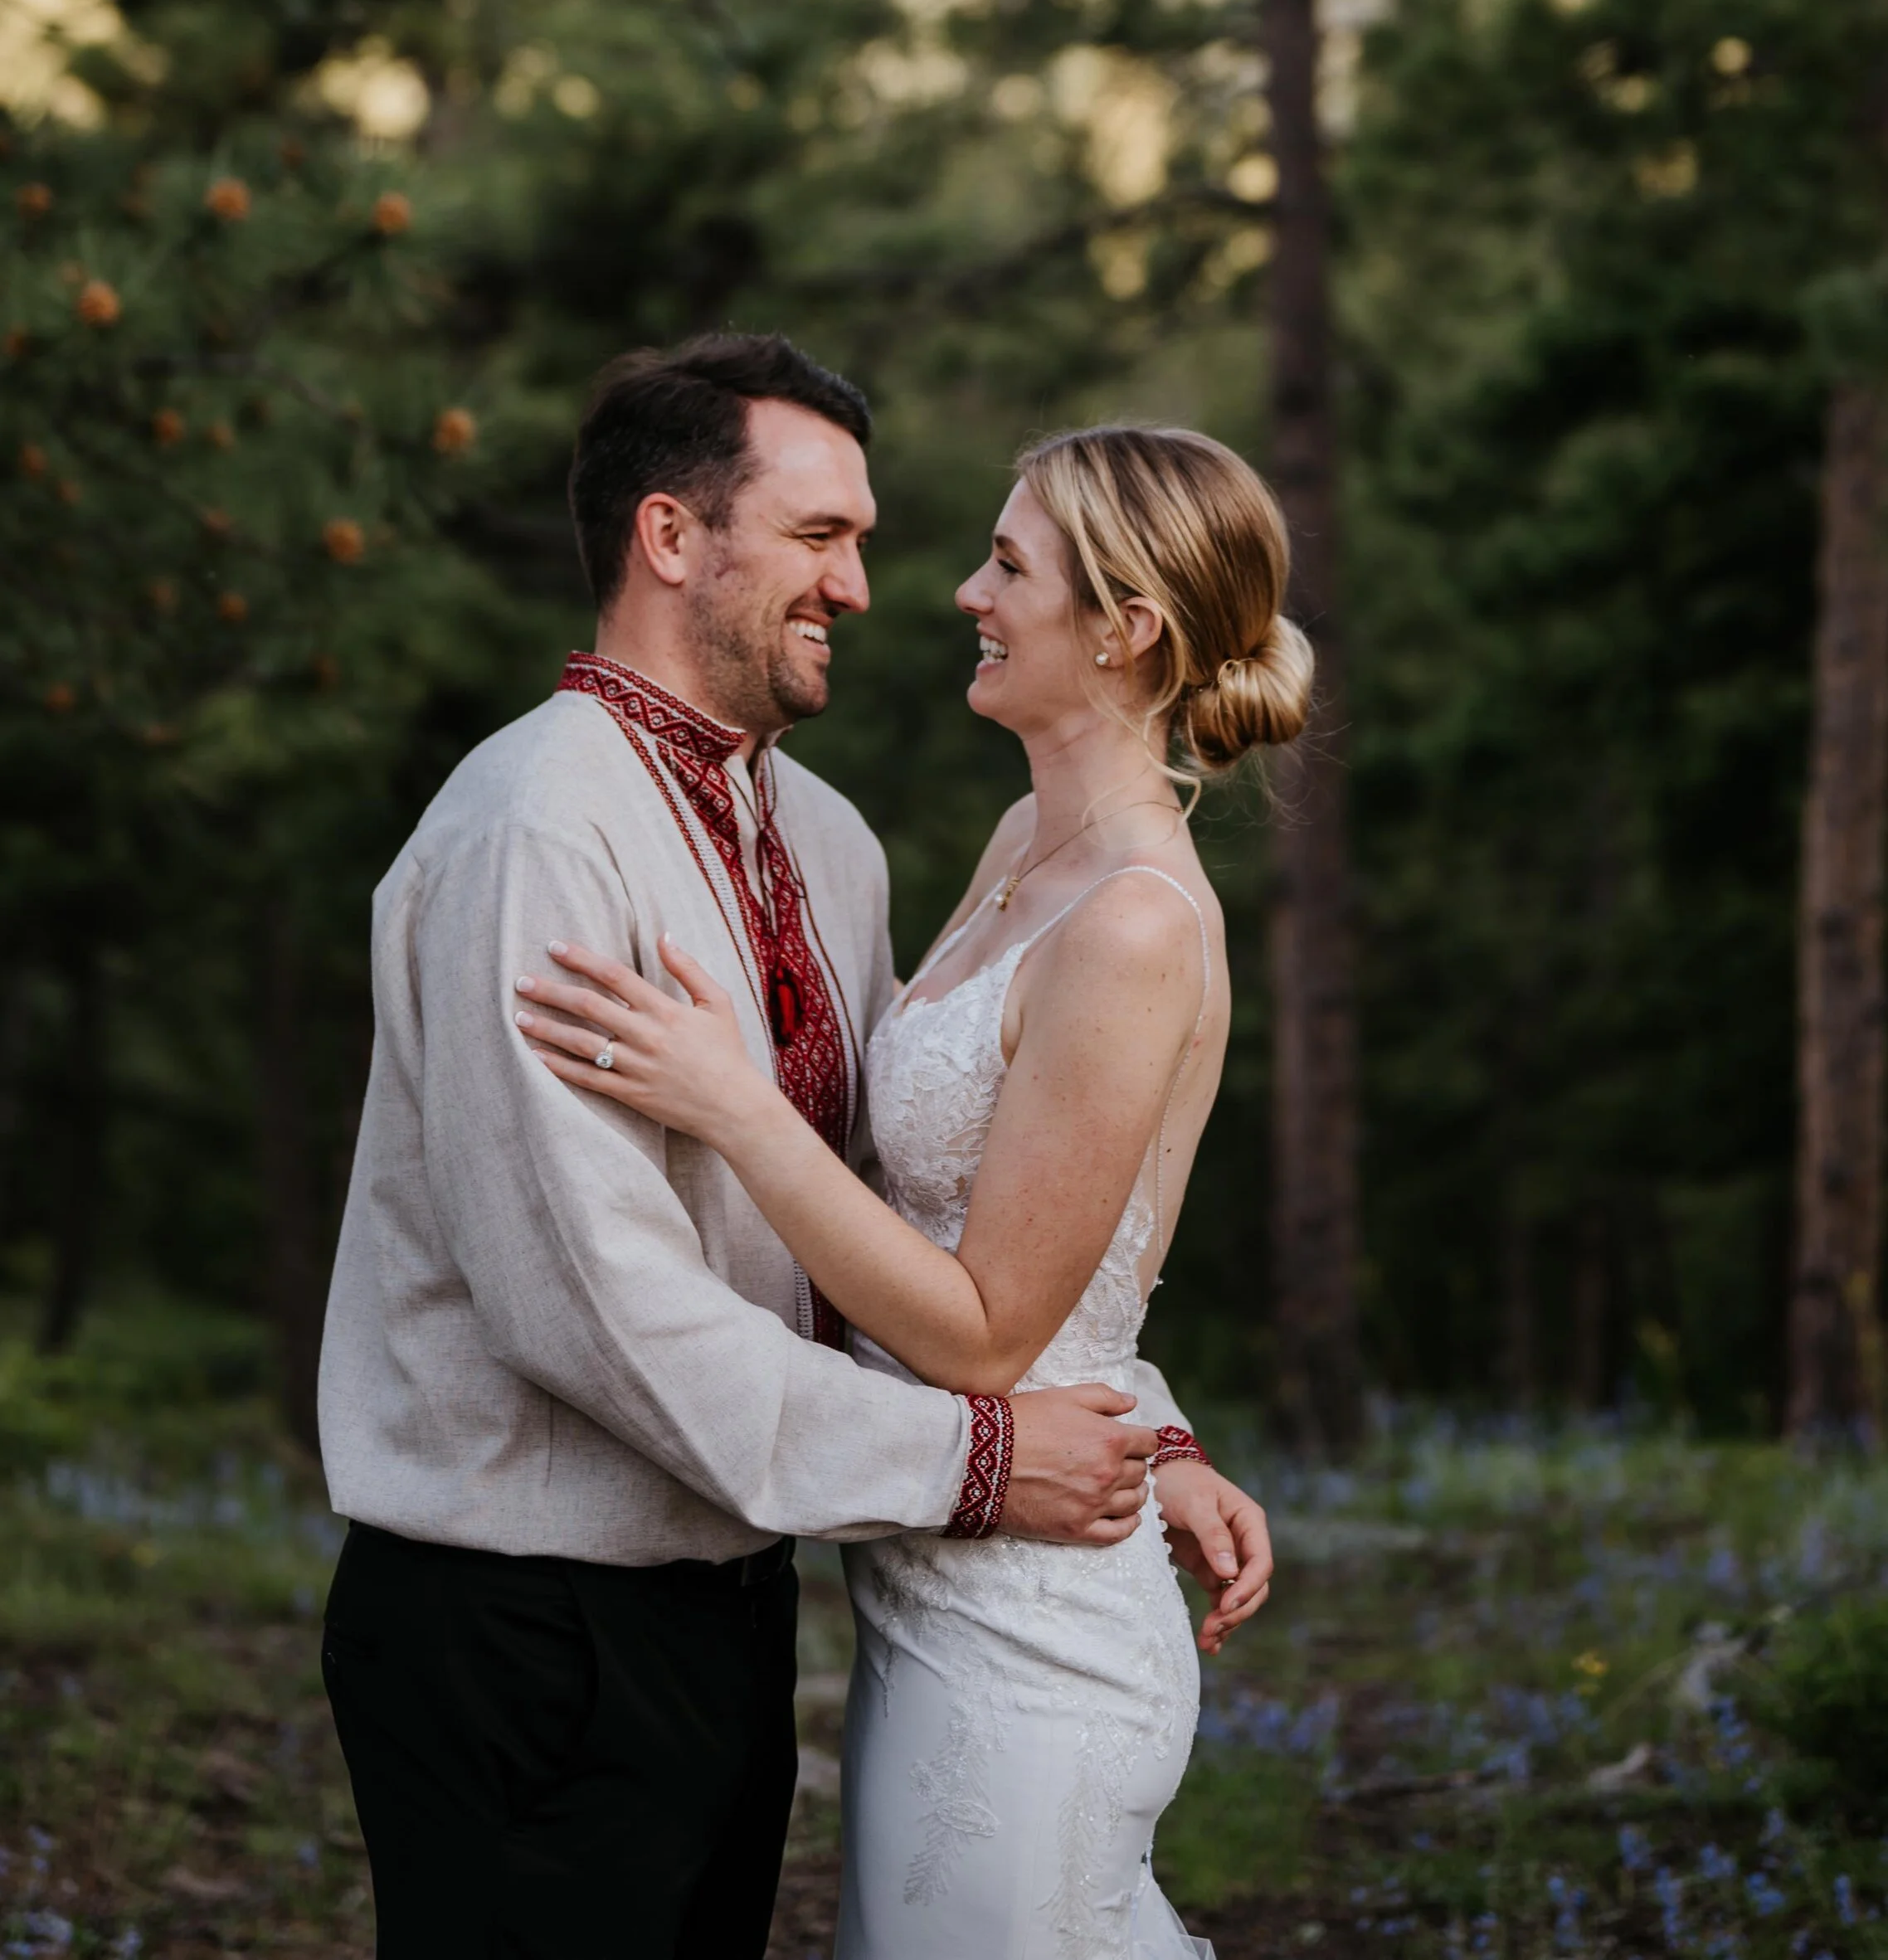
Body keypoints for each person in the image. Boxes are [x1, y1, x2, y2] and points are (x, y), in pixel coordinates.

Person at [319, 335, 1274, 1960]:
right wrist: (977, 1461)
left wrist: (1133, 1426)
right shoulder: (535, 829)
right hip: (529, 1619)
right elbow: (592, 1305)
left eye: (876, 538)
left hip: (737, 1606)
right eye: (820, 536)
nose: (874, 585)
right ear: (671, 539)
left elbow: (930, 1206)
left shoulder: (822, 838)